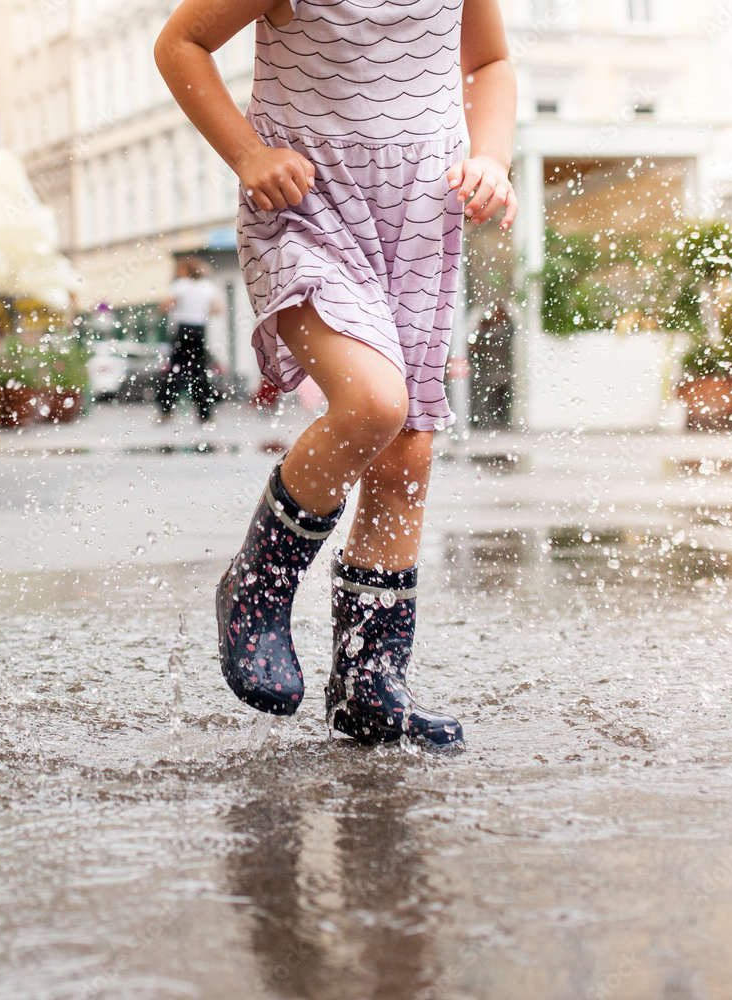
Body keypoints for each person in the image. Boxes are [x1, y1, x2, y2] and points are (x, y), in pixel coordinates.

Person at [156, 0, 517, 747]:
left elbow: (487, 63)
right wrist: (250, 155)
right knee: (374, 404)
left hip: (422, 216)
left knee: (408, 449)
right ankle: (257, 587)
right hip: (308, 210)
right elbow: (181, 42)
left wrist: (491, 157)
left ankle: (368, 680)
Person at [157, 256, 222, 422]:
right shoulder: (207, 286)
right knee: (199, 372)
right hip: (199, 332)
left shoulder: (180, 285)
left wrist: (177, 307)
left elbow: (163, 306)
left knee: (175, 370)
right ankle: (205, 413)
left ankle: (166, 410)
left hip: (182, 330)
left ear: (185, 270)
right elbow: (217, 309)